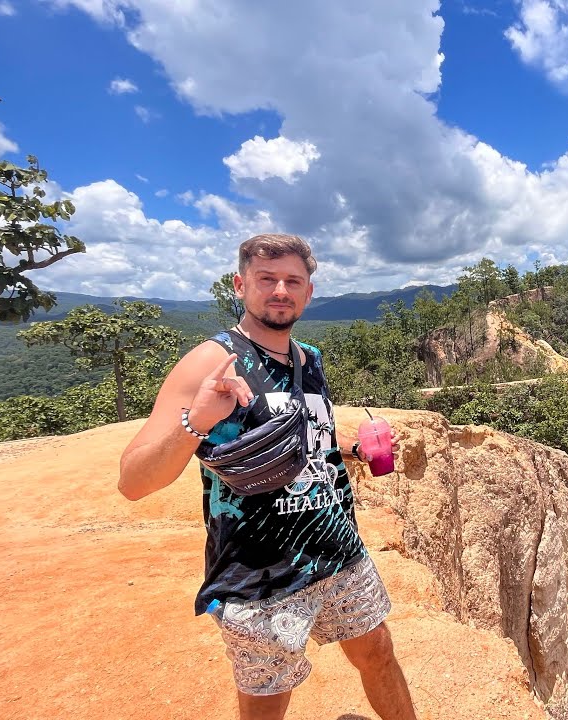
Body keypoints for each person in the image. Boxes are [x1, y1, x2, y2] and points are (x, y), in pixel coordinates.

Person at [118, 234, 418, 720]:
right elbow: (133, 481)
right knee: (267, 700)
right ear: (240, 285)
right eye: (266, 279)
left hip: (339, 552)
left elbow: (300, 434)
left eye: (292, 281)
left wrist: (352, 448)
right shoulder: (210, 362)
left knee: (378, 653)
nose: (280, 290)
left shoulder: (309, 358)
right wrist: (198, 421)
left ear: (308, 292)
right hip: (259, 575)